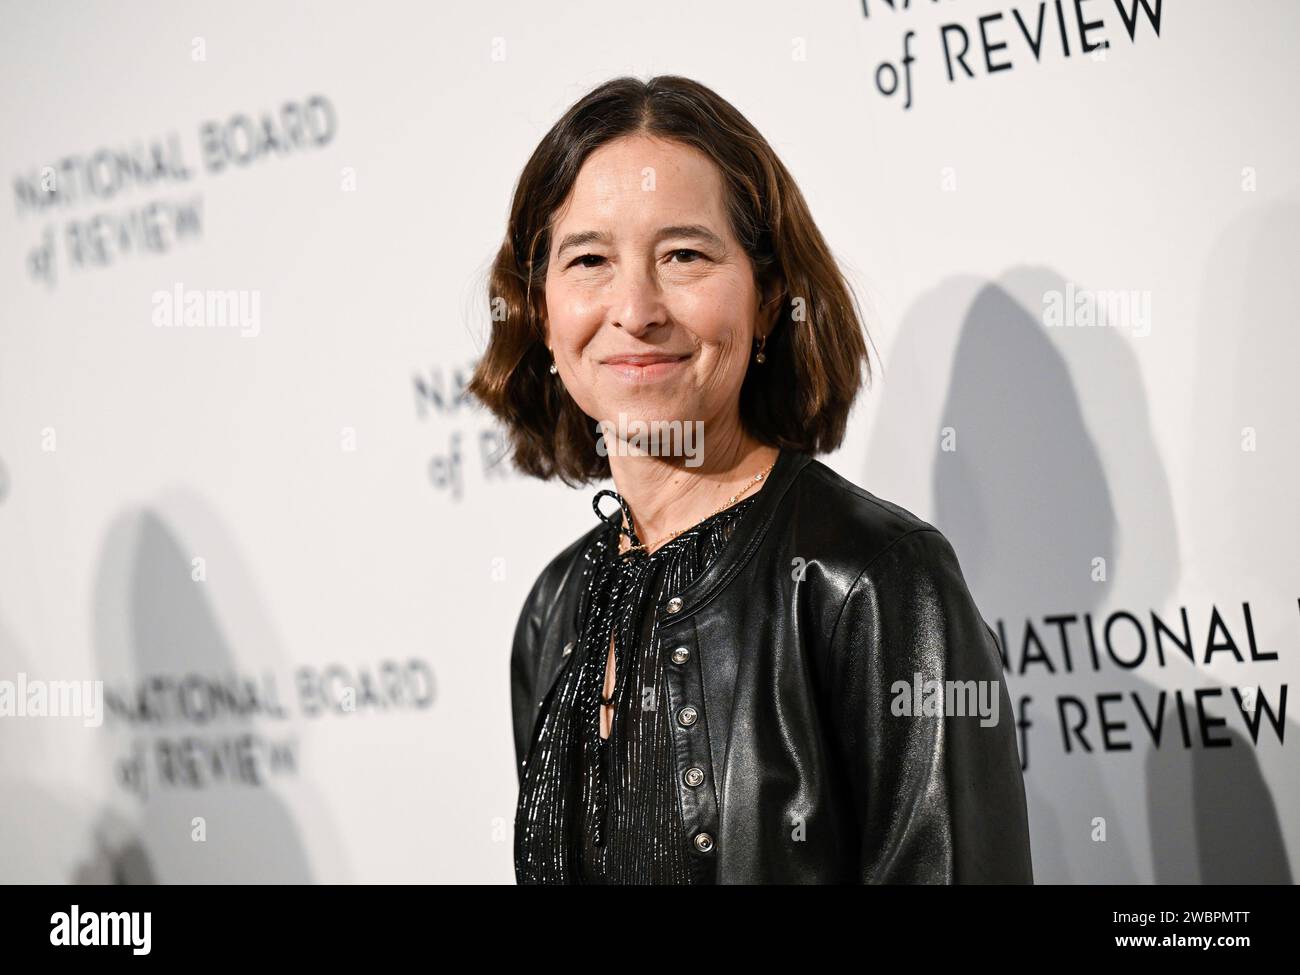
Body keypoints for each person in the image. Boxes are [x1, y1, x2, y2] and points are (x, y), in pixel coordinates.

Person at [468, 75, 1033, 884]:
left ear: (768, 299)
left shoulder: (874, 582)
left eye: (684, 255)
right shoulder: (552, 610)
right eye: (589, 259)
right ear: (541, 311)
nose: (636, 308)